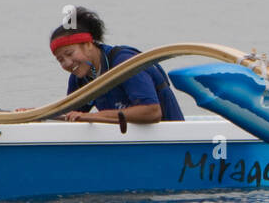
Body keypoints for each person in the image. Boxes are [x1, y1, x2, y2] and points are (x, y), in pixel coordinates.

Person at [48, 7, 183, 123]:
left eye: (70, 53)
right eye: (60, 60)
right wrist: (35, 114)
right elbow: (71, 115)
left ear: (88, 44)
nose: (68, 63)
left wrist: (94, 117)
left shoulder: (125, 63)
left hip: (173, 141)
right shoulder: (80, 76)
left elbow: (152, 111)